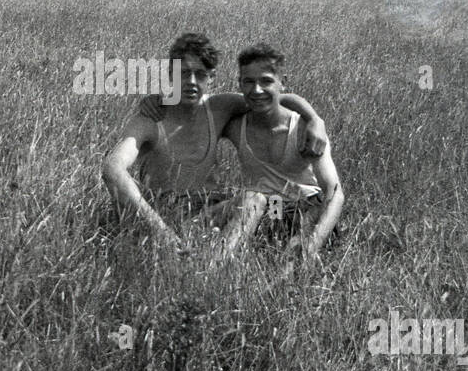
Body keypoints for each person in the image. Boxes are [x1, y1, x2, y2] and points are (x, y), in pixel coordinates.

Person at [101, 32, 327, 249]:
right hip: (167, 216)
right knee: (257, 202)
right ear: (169, 74)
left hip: (213, 209)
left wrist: (315, 119)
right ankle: (214, 261)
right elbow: (113, 168)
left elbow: (273, 97)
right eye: (183, 73)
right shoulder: (151, 119)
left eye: (200, 74)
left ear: (211, 77)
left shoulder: (218, 107)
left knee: (258, 200)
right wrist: (160, 231)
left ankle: (217, 264)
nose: (191, 82)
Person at [218, 42, 344, 265]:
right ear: (239, 84)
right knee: (251, 203)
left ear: (282, 83)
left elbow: (335, 193)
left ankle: (297, 262)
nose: (256, 90)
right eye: (248, 81)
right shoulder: (235, 126)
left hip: (304, 207)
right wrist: (156, 105)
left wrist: (313, 243)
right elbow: (192, 116)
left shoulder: (306, 129)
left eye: (266, 81)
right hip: (262, 210)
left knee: (294, 257)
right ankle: (214, 269)